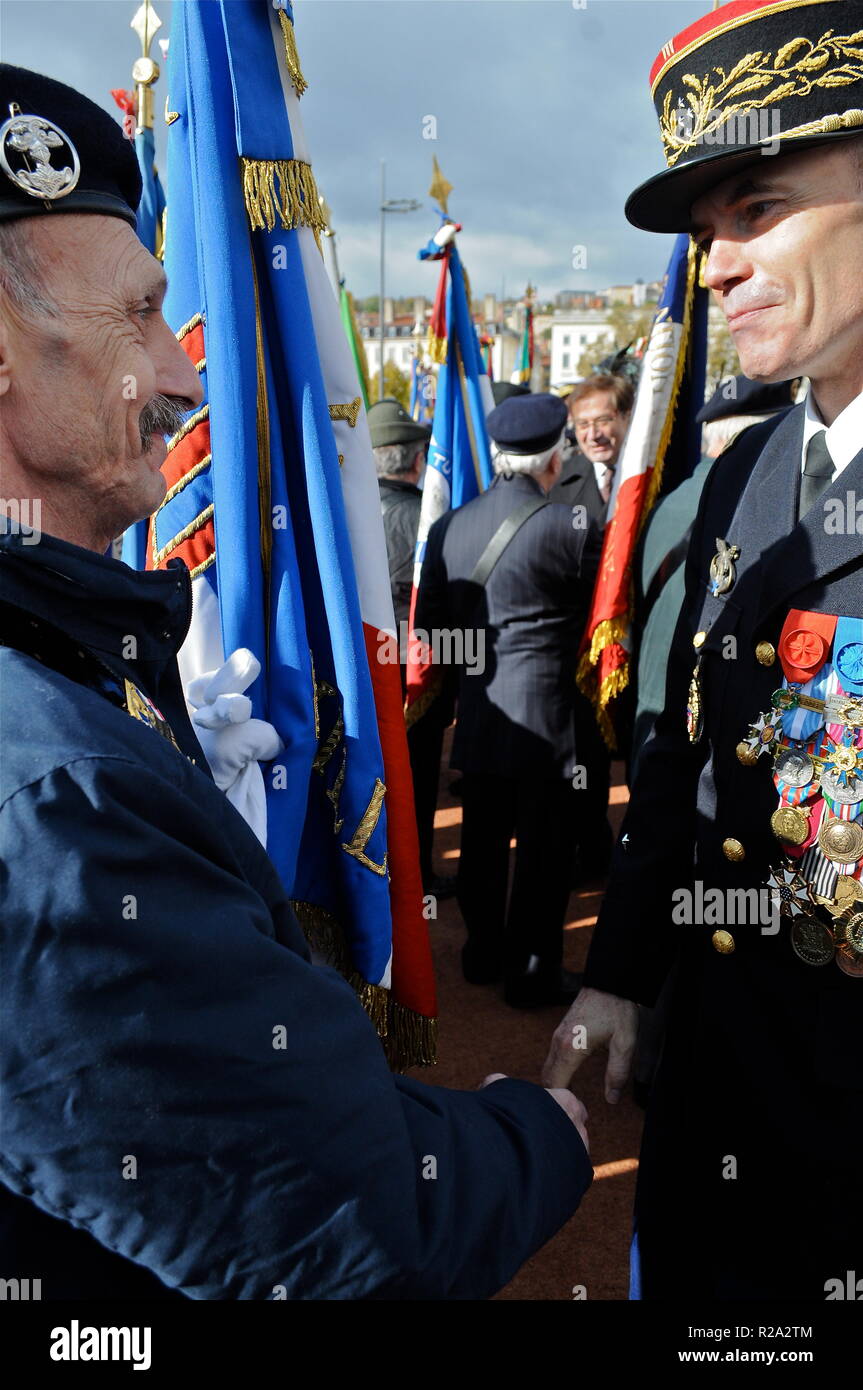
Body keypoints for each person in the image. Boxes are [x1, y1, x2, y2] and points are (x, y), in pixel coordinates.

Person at [0, 63, 593, 1302]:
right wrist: (541, 1135)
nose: (184, 372)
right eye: (139, 319)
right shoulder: (52, 796)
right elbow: (348, 1229)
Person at [544, 0, 863, 1300]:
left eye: (754, 208)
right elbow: (685, 746)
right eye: (701, 234)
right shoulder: (748, 477)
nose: (712, 267)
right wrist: (620, 973)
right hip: (724, 1098)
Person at [415, 392, 601, 1007]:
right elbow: (595, 623)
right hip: (549, 720)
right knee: (545, 851)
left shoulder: (448, 527)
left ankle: (481, 953)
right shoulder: (572, 526)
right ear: (555, 458)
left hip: (483, 713)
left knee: (483, 840)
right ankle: (529, 974)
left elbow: (434, 634)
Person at [552, 374, 634, 882]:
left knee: (646, 759)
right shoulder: (564, 483)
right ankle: (593, 852)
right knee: (587, 765)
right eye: (584, 424)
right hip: (582, 652)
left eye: (604, 420)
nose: (594, 433)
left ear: (626, 418)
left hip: (641, 651)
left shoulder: (650, 476)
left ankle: (643, 855)